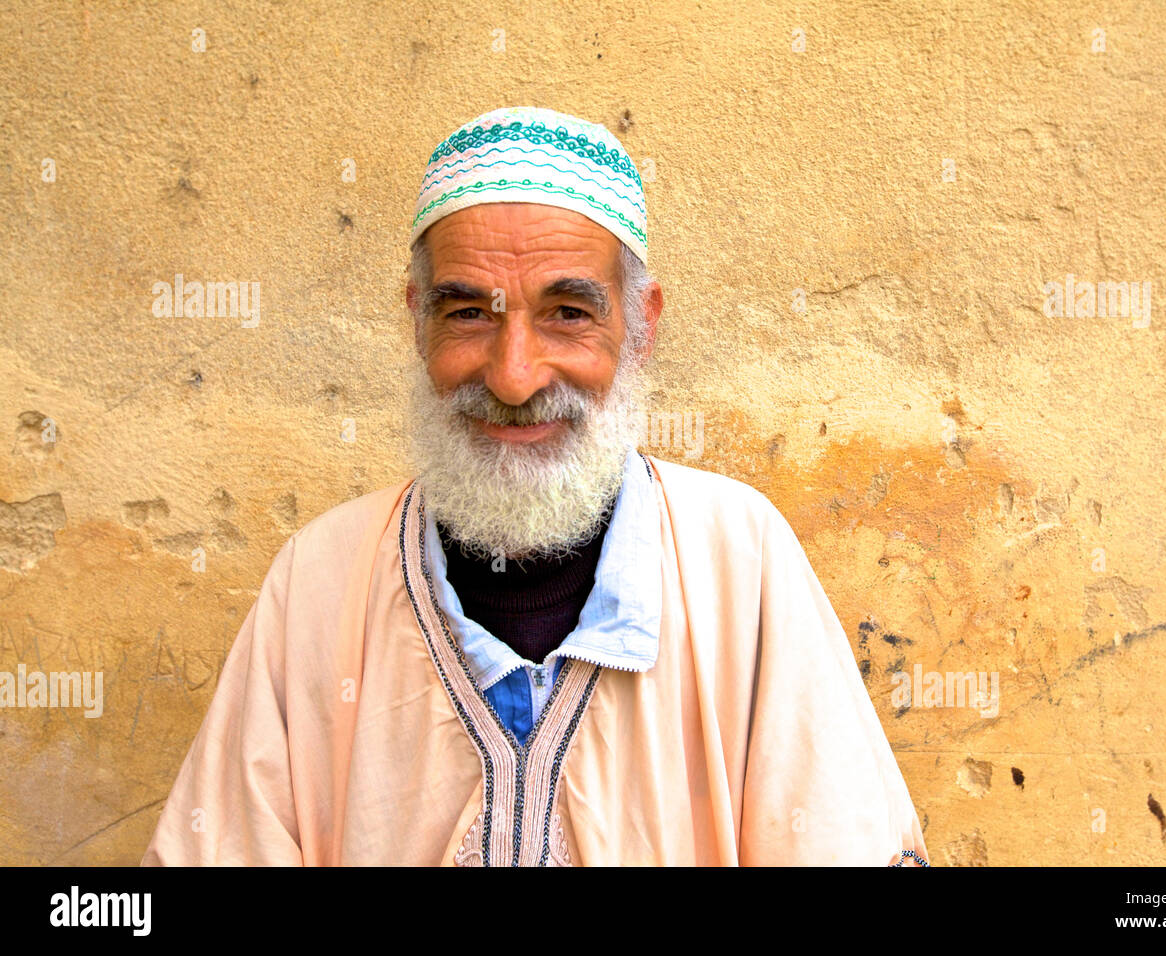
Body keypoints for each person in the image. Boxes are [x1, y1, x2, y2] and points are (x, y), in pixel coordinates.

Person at [141, 106, 930, 866]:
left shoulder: (741, 564)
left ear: (641, 325)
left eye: (566, 313)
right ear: (418, 319)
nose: (514, 377)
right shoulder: (318, 582)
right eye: (469, 315)